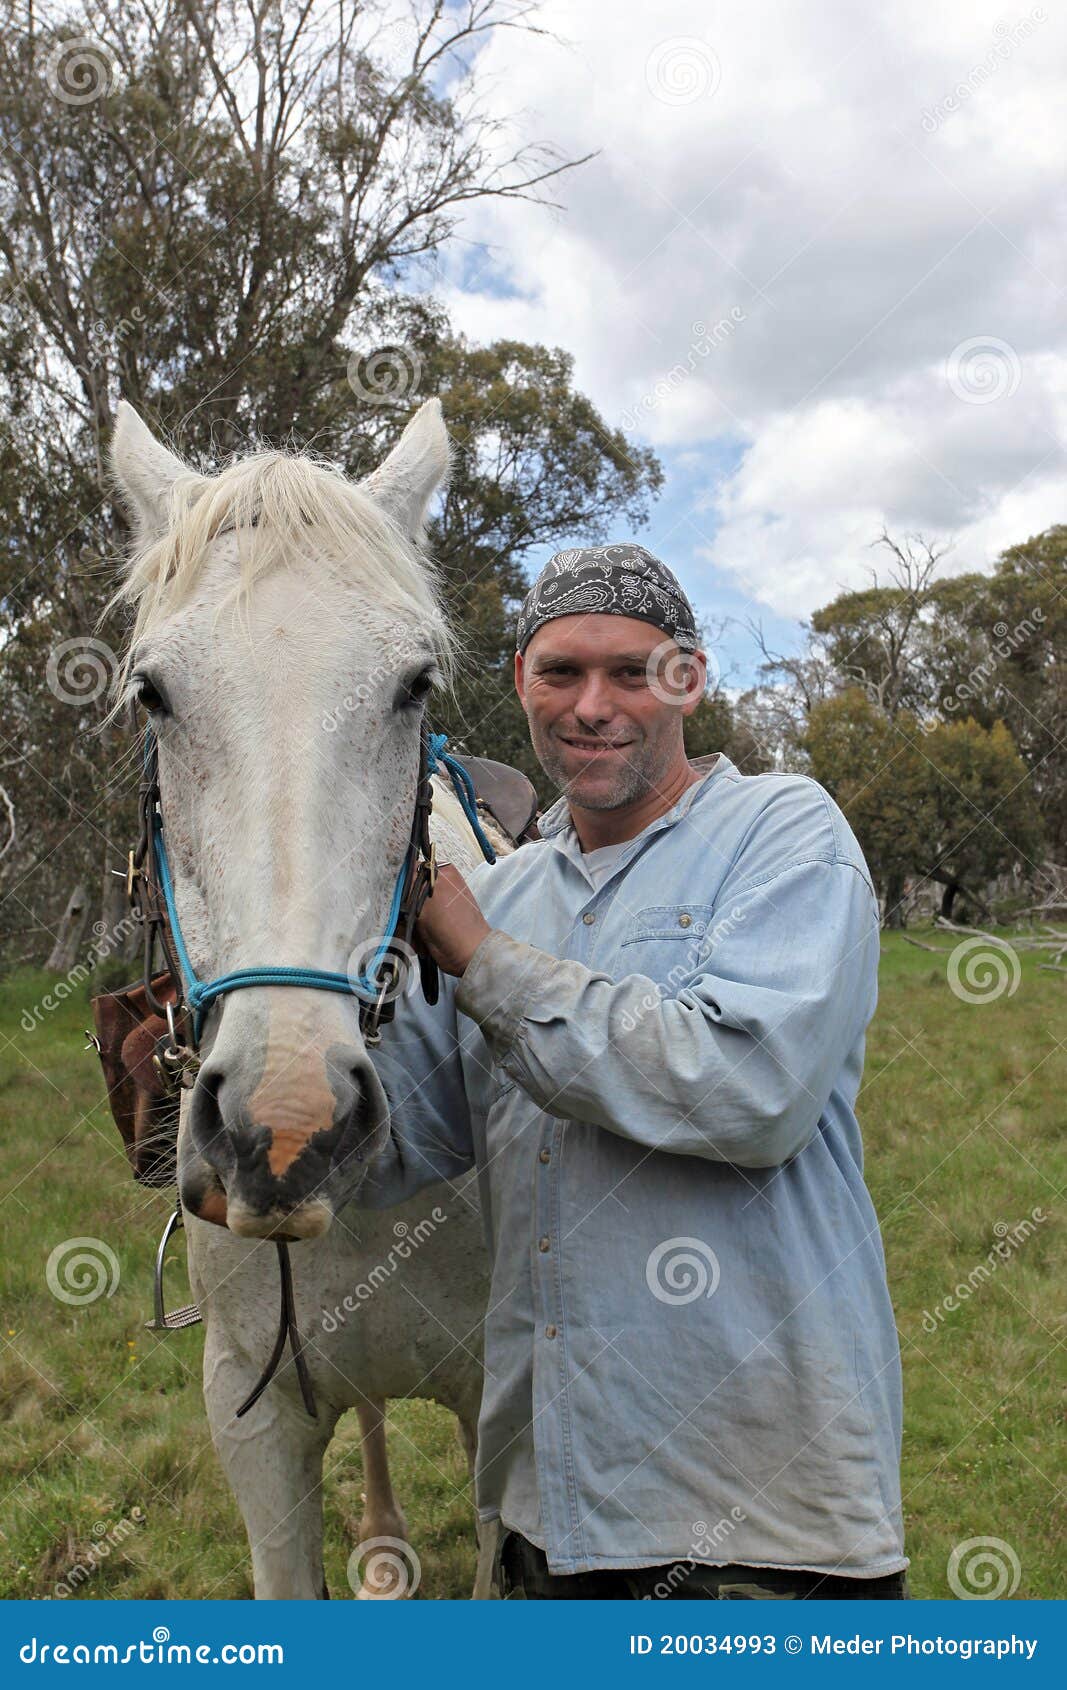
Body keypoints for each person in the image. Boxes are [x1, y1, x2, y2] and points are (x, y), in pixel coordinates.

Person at [358, 542, 908, 1600]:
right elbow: (399, 1145)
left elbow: (747, 1089)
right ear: (520, 679)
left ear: (689, 678)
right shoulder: (503, 893)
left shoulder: (783, 832)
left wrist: (483, 963)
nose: (591, 705)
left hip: (758, 1532)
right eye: (559, 672)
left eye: (629, 670)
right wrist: (236, 1065)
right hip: (545, 1517)